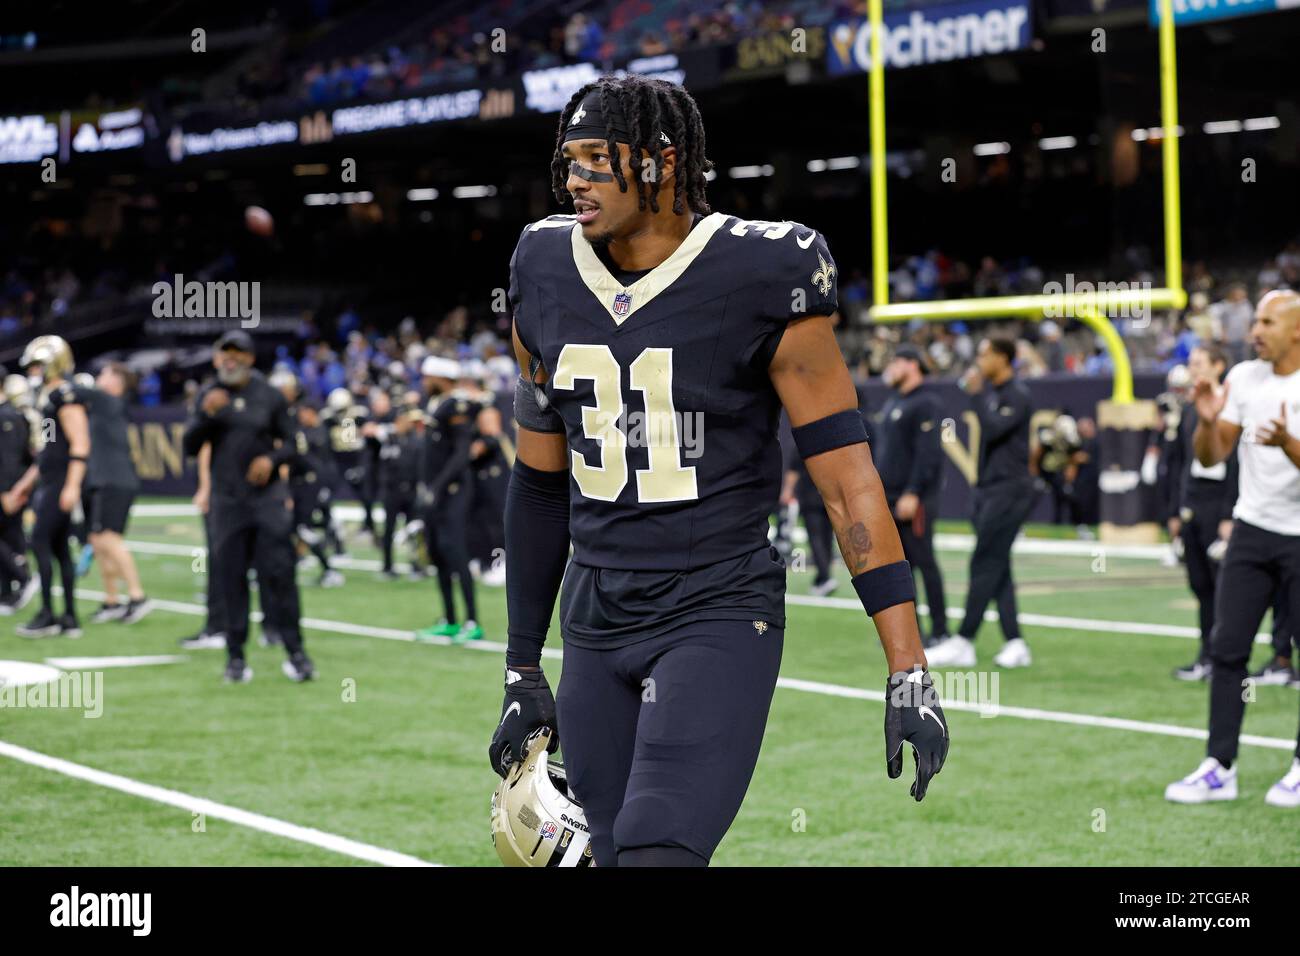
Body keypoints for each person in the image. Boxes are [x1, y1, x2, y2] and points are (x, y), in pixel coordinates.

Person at [488, 74, 948, 867]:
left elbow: (847, 483)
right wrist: (521, 665)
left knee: (655, 849)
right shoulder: (541, 262)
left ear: (664, 163)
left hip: (717, 602)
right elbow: (538, 484)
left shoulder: (766, 268)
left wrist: (908, 668)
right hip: (594, 617)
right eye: (571, 160)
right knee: (605, 853)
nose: (575, 179)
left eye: (600, 159)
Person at [1165, 289, 1300, 807]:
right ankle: (1220, 765)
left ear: (1295, 330)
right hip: (1252, 529)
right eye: (1256, 320)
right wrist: (1204, 418)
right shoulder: (1243, 377)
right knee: (1227, 649)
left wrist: (1289, 444)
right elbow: (1215, 452)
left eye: (1267, 321)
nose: (1255, 330)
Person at [181, 331, 315, 683]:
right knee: (231, 578)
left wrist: (271, 461)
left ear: (250, 359)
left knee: (281, 574)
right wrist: (207, 417)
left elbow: (292, 443)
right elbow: (190, 446)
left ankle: (296, 652)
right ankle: (235, 657)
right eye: (224, 353)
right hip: (228, 501)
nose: (230, 359)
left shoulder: (268, 395)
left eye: (237, 353)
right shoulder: (210, 395)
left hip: (266, 499)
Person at [926, 337, 1035, 669]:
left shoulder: (1017, 394)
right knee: (997, 565)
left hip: (1009, 490)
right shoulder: (996, 394)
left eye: (985, 354)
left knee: (984, 562)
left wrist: (974, 396)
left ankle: (964, 639)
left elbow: (993, 429)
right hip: (991, 488)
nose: (979, 360)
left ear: (1003, 358)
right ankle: (1015, 642)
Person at [5, 337, 88, 637]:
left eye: (39, 365)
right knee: (59, 549)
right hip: (51, 479)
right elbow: (48, 450)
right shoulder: (51, 399)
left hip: (61, 483)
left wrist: (72, 486)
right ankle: (68, 618)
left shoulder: (65, 397)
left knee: (40, 542)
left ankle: (49, 613)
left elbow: (80, 444)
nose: (35, 371)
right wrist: (24, 487)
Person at [872, 345, 948, 644]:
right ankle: (912, 632)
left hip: (914, 498)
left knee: (925, 561)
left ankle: (940, 631)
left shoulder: (927, 402)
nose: (891, 367)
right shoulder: (892, 403)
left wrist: (913, 492)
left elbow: (929, 454)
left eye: (896, 361)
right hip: (890, 496)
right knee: (898, 568)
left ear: (913, 364)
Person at [415, 355, 484, 644]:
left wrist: (439, 486)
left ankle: (471, 620)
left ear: (439, 378)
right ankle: (451, 619)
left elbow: (460, 453)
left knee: (455, 553)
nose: (423, 382)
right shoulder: (436, 405)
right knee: (438, 553)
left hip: (453, 491)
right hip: (435, 492)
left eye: (427, 377)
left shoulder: (457, 404)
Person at [79, 362, 152, 624]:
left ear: (116, 382)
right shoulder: (106, 404)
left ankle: (137, 596)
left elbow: (73, 391)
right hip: (105, 480)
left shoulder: (107, 400)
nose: (99, 378)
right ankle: (111, 600)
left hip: (115, 480)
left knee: (109, 537)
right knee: (98, 540)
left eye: (104, 374)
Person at [0, 374, 38, 615]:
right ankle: (7, 591)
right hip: (14, 487)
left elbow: (11, 459)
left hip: (8, 489)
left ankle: (22, 577)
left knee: (13, 539)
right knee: (10, 539)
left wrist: (8, 490)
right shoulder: (14, 414)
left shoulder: (8, 415)